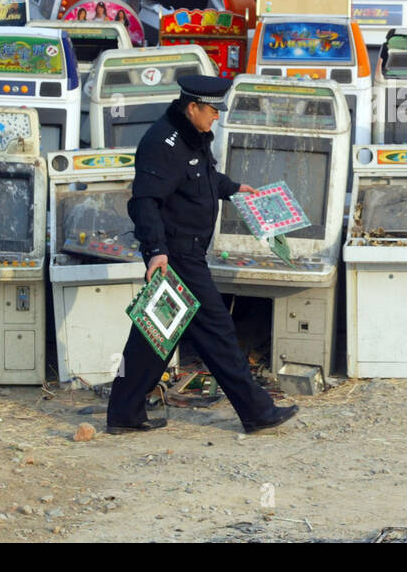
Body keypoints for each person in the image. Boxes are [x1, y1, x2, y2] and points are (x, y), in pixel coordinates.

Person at [107, 74, 298, 435]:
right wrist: (156, 252)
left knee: (154, 335)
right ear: (192, 107)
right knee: (219, 332)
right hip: (177, 255)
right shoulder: (161, 143)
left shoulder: (193, 136)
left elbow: (202, 179)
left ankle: (124, 413)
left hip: (187, 251)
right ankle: (256, 411)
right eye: (213, 110)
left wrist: (233, 188)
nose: (217, 117)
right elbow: (144, 202)